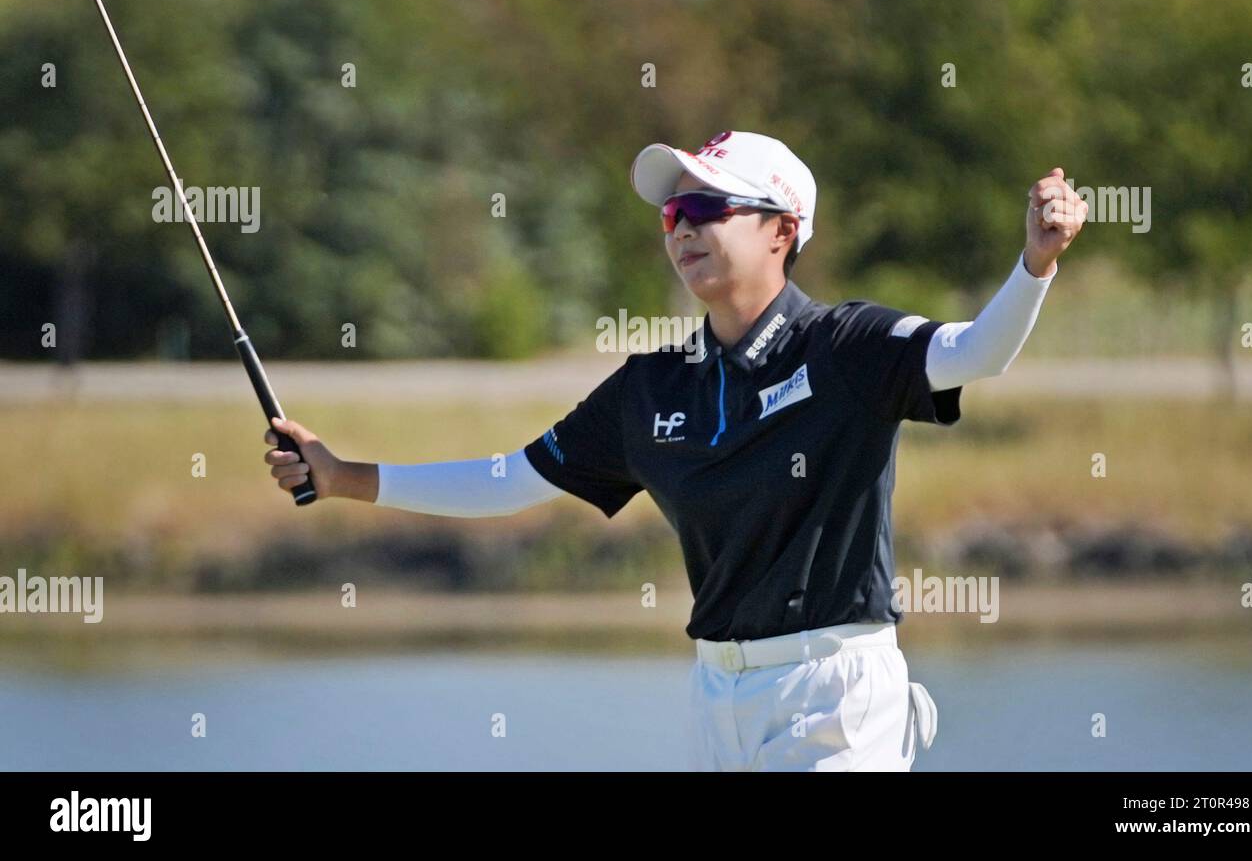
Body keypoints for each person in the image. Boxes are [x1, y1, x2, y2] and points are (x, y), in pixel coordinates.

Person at [262, 130, 1086, 771]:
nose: (680, 230)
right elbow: (509, 480)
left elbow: (979, 352)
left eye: (706, 211)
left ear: (780, 231)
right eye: (671, 215)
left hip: (836, 695)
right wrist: (342, 477)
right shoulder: (653, 385)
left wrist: (1035, 264)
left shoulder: (847, 345)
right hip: (715, 696)